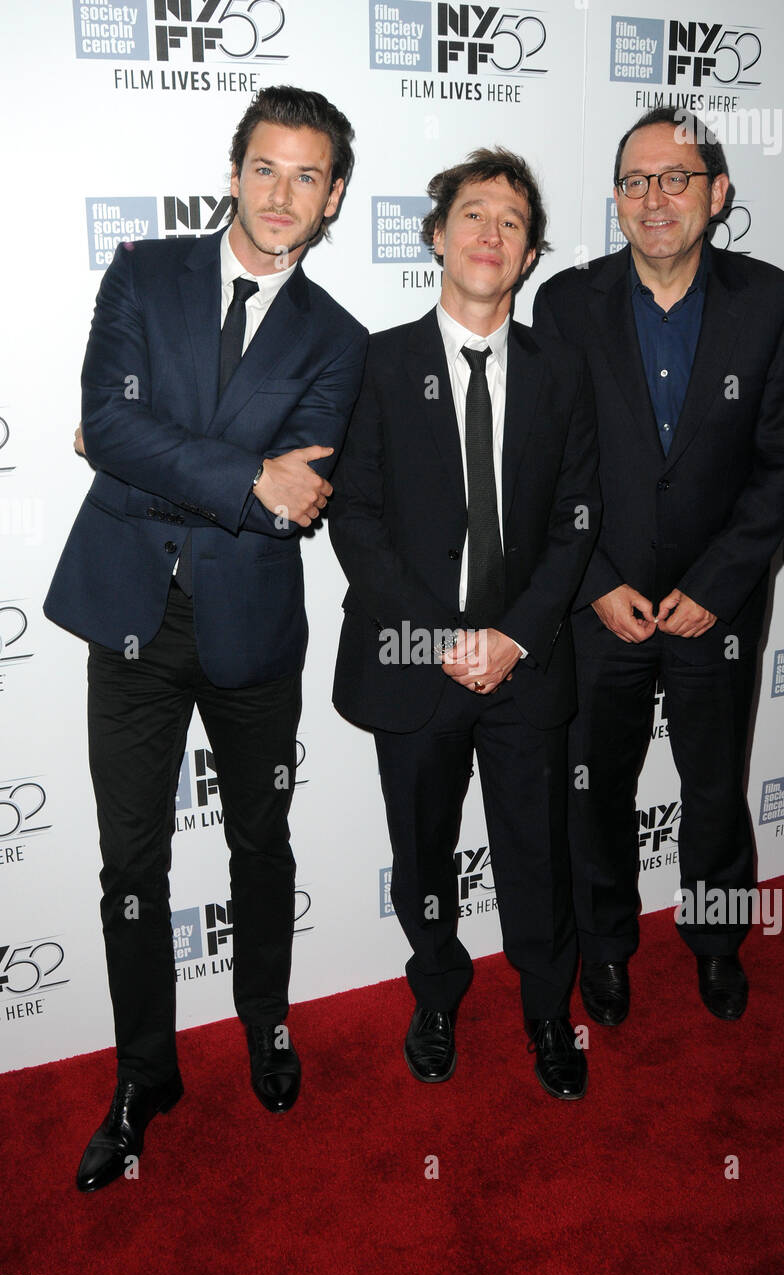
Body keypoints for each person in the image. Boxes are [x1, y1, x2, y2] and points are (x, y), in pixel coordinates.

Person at [45, 86, 367, 1192]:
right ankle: (144, 1076)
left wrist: (143, 453)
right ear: (233, 172)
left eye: (308, 177)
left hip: (250, 629)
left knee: (258, 842)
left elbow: (291, 492)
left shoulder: (340, 340)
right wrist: (234, 472)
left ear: (332, 199)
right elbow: (115, 419)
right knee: (131, 861)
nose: (284, 195)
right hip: (130, 612)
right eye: (266, 168)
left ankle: (265, 1023)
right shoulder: (143, 270)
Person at [329, 149, 600, 1098]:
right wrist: (445, 635)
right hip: (415, 662)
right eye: (473, 215)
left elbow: (578, 517)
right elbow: (354, 517)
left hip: (526, 663)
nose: (491, 234)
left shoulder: (562, 374)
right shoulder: (374, 364)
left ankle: (546, 1013)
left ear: (528, 255)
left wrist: (513, 636)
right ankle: (436, 993)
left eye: (512, 223)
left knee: (538, 850)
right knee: (424, 851)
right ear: (437, 236)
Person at [533, 106, 784, 1026]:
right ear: (616, 200)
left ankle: (719, 942)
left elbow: (780, 468)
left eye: (677, 178)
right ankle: (606, 947)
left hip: (714, 610)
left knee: (714, 785)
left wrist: (718, 587)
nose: (655, 198)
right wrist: (597, 578)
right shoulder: (565, 305)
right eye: (636, 181)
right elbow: (548, 466)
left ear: (718, 194)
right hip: (597, 602)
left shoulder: (773, 305)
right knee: (594, 787)